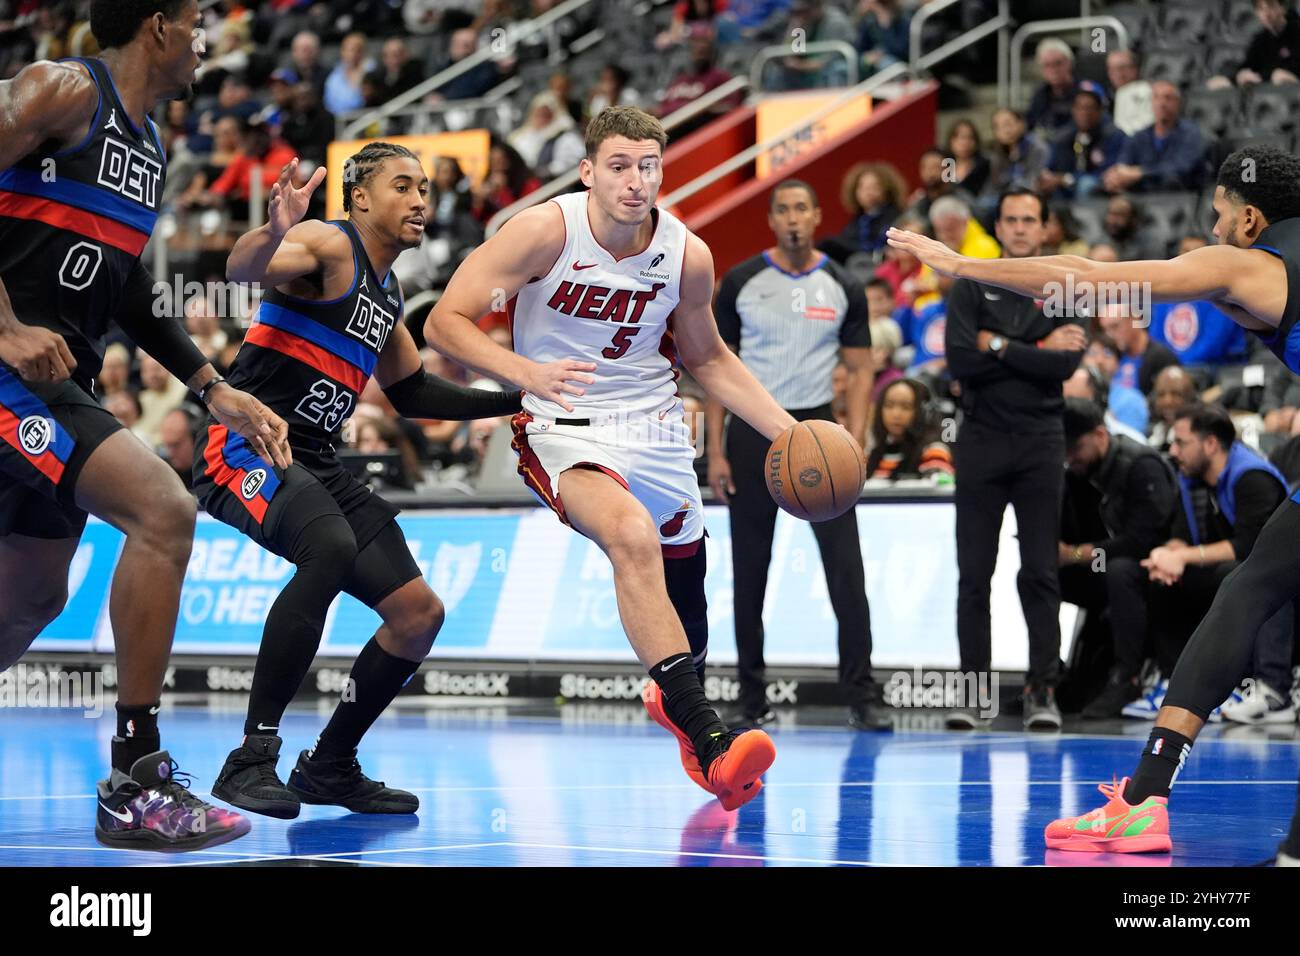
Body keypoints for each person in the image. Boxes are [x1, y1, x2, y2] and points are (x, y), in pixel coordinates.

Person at [886, 144, 1300, 861]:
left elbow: (1085, 280)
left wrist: (962, 266)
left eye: (1219, 214)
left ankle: (1146, 801)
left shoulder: (1248, 263)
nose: (1212, 225)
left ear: (1251, 217)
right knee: (1251, 587)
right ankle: (1166, 806)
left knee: (1248, 594)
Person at [424, 106, 811, 810]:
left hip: (657, 424)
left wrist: (788, 430)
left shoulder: (687, 253)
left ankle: (680, 708)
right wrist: (522, 371)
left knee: (686, 584)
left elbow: (709, 357)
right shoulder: (545, 230)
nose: (636, 181)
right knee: (631, 537)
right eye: (620, 166)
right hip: (562, 421)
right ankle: (714, 738)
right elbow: (444, 321)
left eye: (649, 166)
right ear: (588, 171)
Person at [0, 0, 294, 852]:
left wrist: (211, 384)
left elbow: (127, 288)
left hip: (60, 377)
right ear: (158, 26)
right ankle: (137, 775)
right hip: (13, 368)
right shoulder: (62, 90)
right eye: (198, 20)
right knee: (163, 510)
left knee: (30, 599)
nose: (208, 39)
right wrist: (9, 326)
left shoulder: (150, 146)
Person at [200, 143, 524, 818]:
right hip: (247, 445)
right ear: (360, 199)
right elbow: (244, 269)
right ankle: (251, 758)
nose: (419, 201)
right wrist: (272, 232)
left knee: (417, 615)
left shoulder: (388, 293)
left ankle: (330, 764)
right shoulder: (326, 244)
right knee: (331, 547)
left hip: (314, 457)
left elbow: (410, 393)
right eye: (402, 186)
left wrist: (514, 397)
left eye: (425, 190)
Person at [708, 179, 889, 730]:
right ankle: (751, 699)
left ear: (816, 215)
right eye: (782, 209)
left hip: (820, 434)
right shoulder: (740, 281)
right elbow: (717, 370)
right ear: (771, 219)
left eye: (801, 208)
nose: (792, 218)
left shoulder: (841, 284)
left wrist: (855, 436)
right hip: (752, 434)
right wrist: (715, 451)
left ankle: (861, 694)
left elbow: (861, 369)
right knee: (749, 574)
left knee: (846, 573)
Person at [941, 187, 1086, 731]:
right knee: (974, 574)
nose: (1021, 227)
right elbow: (959, 360)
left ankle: (1041, 691)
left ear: (1045, 227)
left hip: (1041, 442)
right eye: (1011, 219)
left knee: (1041, 571)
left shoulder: (1064, 288)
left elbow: (1066, 366)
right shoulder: (973, 280)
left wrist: (996, 345)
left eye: (1031, 219)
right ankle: (974, 693)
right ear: (999, 226)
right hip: (979, 441)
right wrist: (1035, 349)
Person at [1059, 398, 1176, 718]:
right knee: (1042, 575)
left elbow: (1145, 541)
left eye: (1076, 447)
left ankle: (1129, 675)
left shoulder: (1141, 465)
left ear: (1100, 435)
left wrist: (1079, 554)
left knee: (1120, 571)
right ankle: (1047, 676)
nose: (1070, 457)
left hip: (1159, 565)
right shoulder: (1078, 473)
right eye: (1065, 450)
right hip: (1104, 562)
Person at [1102, 82, 1205, 195]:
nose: (1162, 103)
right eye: (1156, 97)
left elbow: (1182, 168)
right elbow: (1123, 166)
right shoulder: (1139, 136)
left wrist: (1141, 173)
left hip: (1179, 195)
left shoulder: (1190, 133)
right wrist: (1115, 177)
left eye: (1168, 98)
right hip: (1141, 197)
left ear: (1179, 103)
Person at [864, 377, 952, 481]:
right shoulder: (871, 456)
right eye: (889, 405)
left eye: (906, 407)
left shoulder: (934, 452)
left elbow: (936, 494)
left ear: (923, 413)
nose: (896, 414)